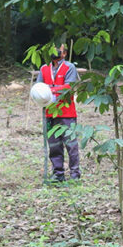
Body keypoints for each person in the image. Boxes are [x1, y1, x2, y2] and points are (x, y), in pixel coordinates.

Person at [39, 43, 81, 183]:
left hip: (67, 113)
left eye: (59, 49)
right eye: (54, 48)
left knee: (71, 144)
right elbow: (38, 87)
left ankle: (75, 174)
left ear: (64, 53)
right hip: (49, 112)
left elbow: (69, 87)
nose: (56, 51)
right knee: (54, 145)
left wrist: (50, 90)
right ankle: (58, 173)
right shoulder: (44, 68)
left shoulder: (69, 67)